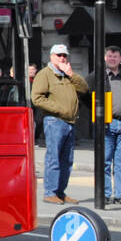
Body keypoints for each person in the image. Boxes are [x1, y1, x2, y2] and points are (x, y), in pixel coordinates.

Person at [31, 44, 88, 204]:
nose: (62, 58)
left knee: (67, 160)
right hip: (54, 121)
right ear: (51, 56)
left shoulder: (67, 75)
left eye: (64, 55)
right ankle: (50, 192)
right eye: (59, 55)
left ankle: (60, 192)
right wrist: (59, 109)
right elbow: (37, 98)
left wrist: (71, 74)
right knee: (54, 158)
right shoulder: (45, 74)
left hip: (69, 121)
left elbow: (84, 88)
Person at [88, 45, 121, 205]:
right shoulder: (98, 75)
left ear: (120, 59)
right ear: (105, 58)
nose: (112, 59)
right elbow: (84, 91)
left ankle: (120, 195)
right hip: (106, 124)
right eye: (109, 56)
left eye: (115, 56)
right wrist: (95, 110)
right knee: (104, 161)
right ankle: (106, 194)